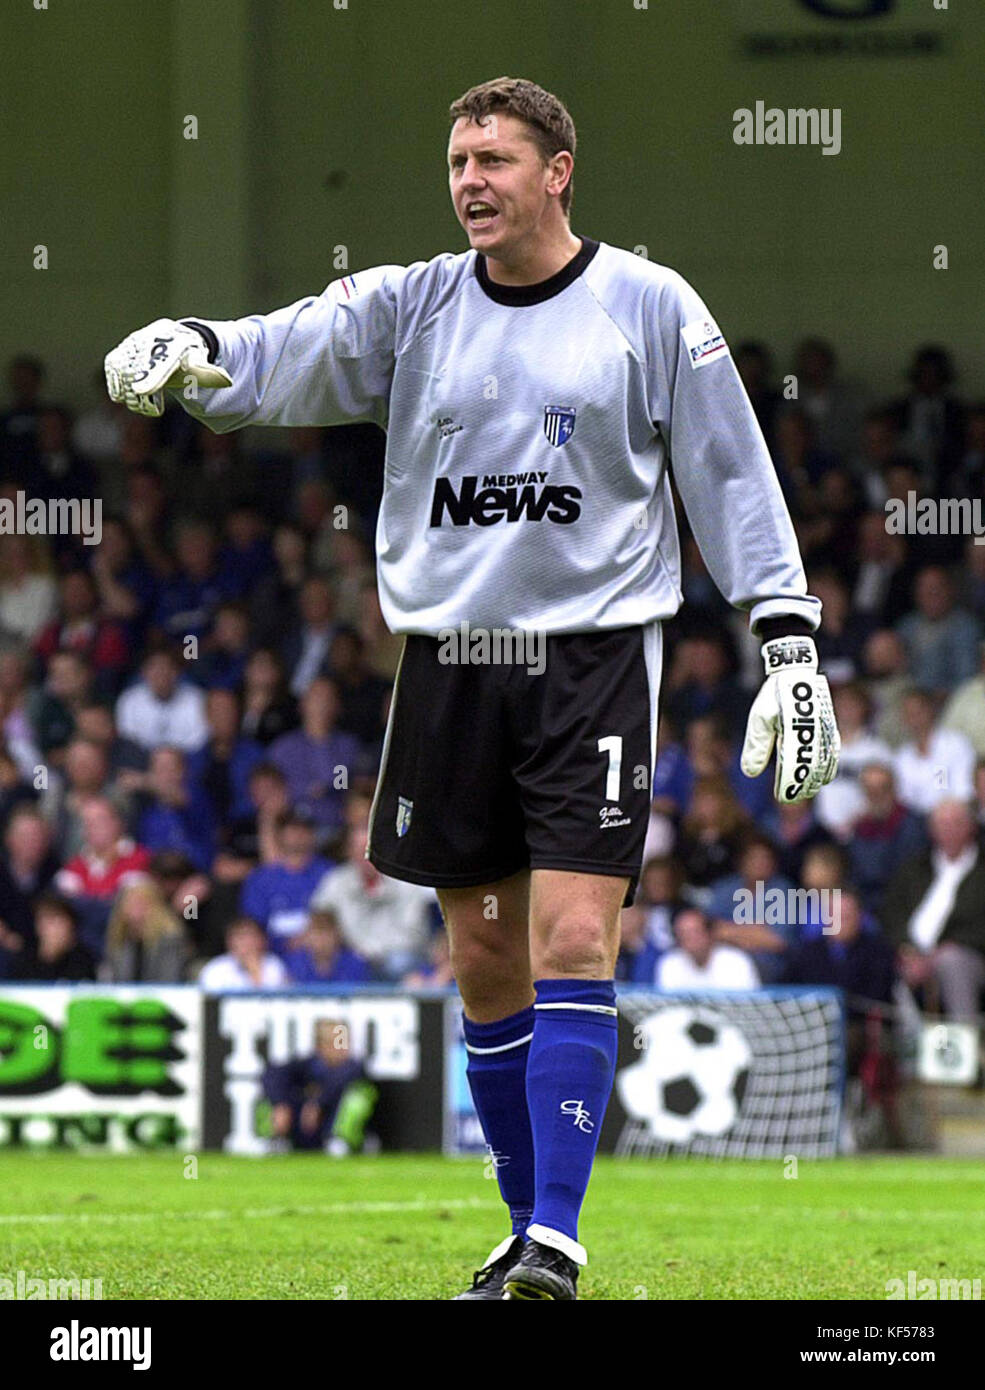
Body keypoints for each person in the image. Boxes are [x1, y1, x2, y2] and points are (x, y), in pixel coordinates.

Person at [105, 76, 840, 1300]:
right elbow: (291, 347)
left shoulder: (646, 306)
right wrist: (200, 350)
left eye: (493, 158)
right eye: (456, 162)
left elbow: (729, 468)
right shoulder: (414, 303)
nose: (468, 182)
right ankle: (517, 1231)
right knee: (486, 963)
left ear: (559, 170)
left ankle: (556, 1233)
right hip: (449, 660)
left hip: (591, 658)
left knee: (568, 937)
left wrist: (787, 636)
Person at [881, 799, 985, 1022]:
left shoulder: (981, 869)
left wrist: (938, 954)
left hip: (970, 957)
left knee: (952, 961)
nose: (948, 830)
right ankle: (902, 1049)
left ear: (971, 827)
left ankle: (964, 1042)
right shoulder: (914, 868)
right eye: (941, 824)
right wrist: (906, 949)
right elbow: (892, 913)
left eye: (955, 823)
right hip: (911, 954)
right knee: (876, 960)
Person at [263, 1018, 377, 1155]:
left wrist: (318, 1103)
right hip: (306, 1128)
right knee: (274, 1095)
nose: (342, 1049)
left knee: (357, 1098)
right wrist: (280, 1103)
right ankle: (278, 1141)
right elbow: (274, 1073)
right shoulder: (309, 1064)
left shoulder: (354, 1067)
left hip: (330, 1122)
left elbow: (339, 1081)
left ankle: (341, 1142)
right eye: (335, 1043)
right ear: (320, 1046)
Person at [101, 877, 189, 983]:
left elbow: (169, 979)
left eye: (141, 903)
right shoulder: (119, 939)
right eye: (130, 903)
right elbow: (114, 979)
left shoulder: (170, 939)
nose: (136, 909)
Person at [655, 907, 760, 991]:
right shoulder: (669, 964)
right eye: (684, 934)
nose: (691, 938)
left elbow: (749, 1006)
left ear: (710, 933)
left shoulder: (736, 961)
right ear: (677, 939)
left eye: (696, 932)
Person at [198, 915, 289, 991]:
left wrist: (255, 971)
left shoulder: (273, 964)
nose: (246, 942)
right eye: (240, 937)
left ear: (262, 940)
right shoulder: (216, 968)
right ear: (229, 941)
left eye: (250, 935)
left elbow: (276, 1000)